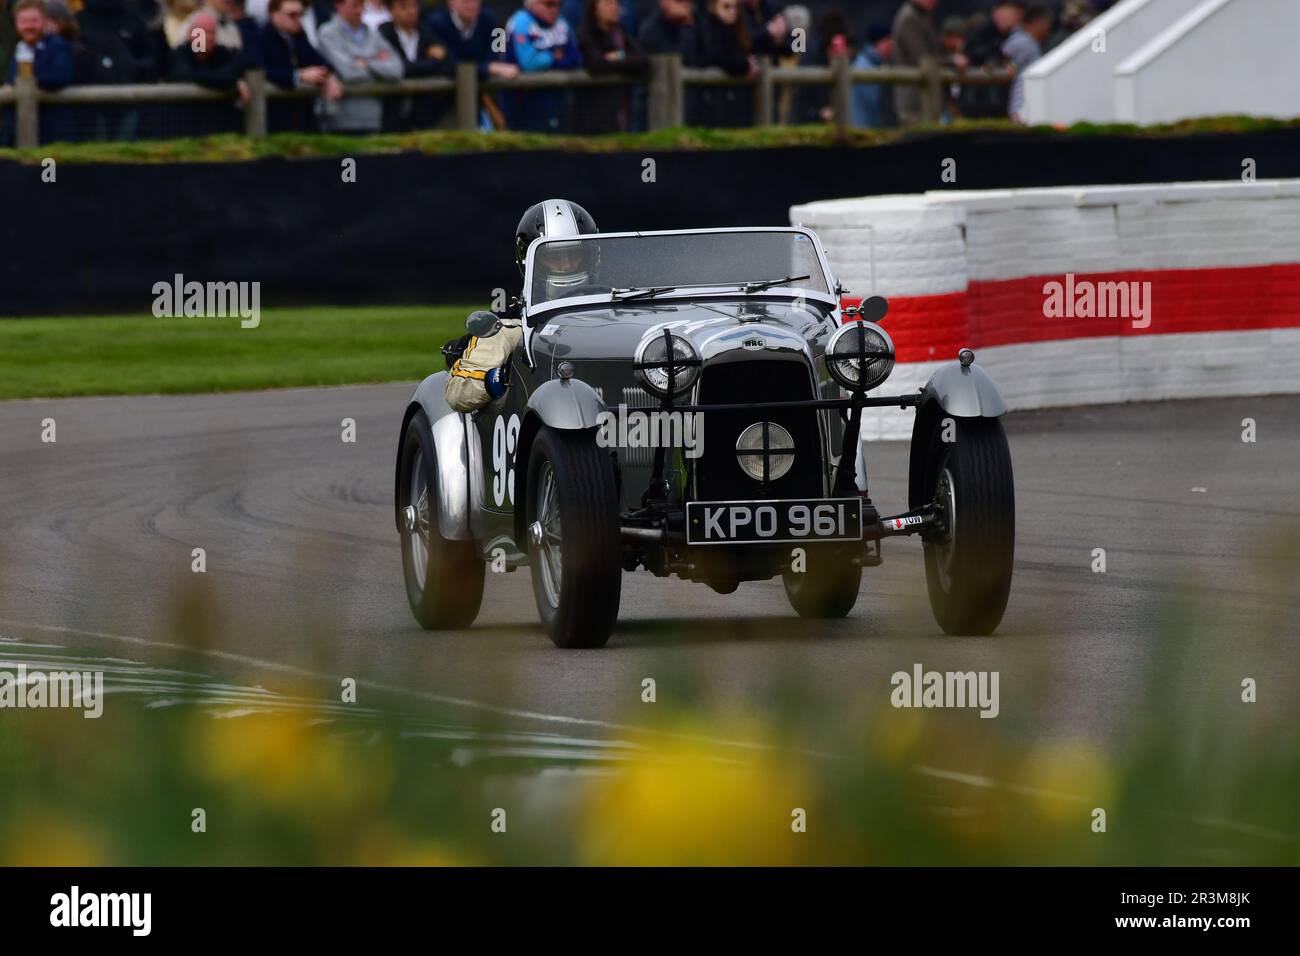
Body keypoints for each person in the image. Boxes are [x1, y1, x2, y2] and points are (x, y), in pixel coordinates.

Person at [315, 0, 402, 132]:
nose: (359, 10)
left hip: (373, 117)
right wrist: (377, 63)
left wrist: (365, 63)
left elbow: (397, 70)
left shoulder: (373, 33)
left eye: (362, 5)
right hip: (339, 119)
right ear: (339, 5)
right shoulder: (327, 33)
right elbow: (348, 72)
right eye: (354, 5)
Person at [259, 0, 342, 129]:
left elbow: (320, 61)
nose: (298, 20)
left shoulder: (299, 37)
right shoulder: (261, 37)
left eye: (301, 15)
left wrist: (330, 76)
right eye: (292, 15)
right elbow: (261, 71)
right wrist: (299, 76)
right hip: (276, 118)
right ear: (274, 14)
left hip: (303, 117)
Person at [503, 0, 581, 133]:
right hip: (524, 105)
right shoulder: (520, 22)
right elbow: (529, 63)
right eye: (549, 5)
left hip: (557, 102)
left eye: (558, 5)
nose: (555, 10)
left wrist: (546, 58)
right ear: (532, 4)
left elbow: (575, 58)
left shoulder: (561, 22)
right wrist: (554, 56)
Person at [377, 0, 452, 130]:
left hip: (423, 112)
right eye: (403, 7)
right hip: (392, 111)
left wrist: (410, 67)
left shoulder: (426, 31)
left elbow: (448, 65)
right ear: (391, 11)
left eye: (414, 6)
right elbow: (396, 69)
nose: (411, 11)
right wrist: (431, 63)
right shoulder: (384, 33)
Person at [575, 0, 647, 133]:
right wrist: (624, 59)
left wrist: (616, 57)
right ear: (594, 9)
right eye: (608, 4)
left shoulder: (621, 33)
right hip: (593, 114)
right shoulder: (585, 33)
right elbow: (596, 64)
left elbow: (643, 61)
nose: (614, 8)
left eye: (616, 4)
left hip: (621, 109)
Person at [960, 0, 1021, 118]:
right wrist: (998, 60)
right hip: (977, 97)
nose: (1014, 19)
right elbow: (975, 54)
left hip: (994, 99)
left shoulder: (1008, 34)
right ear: (997, 12)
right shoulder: (982, 32)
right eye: (1012, 14)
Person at [890, 0, 942, 125]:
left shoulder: (922, 16)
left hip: (922, 94)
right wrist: (952, 61)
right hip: (913, 96)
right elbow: (922, 57)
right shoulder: (909, 18)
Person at [1004, 3, 1052, 123]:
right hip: (1020, 104)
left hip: (1027, 103)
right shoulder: (1022, 42)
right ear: (1036, 22)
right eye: (1046, 24)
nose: (1048, 29)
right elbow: (1007, 68)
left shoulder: (1029, 42)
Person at [851, 22, 893, 130]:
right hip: (862, 129)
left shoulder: (873, 63)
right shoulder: (864, 67)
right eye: (887, 40)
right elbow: (874, 104)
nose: (891, 45)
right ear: (877, 42)